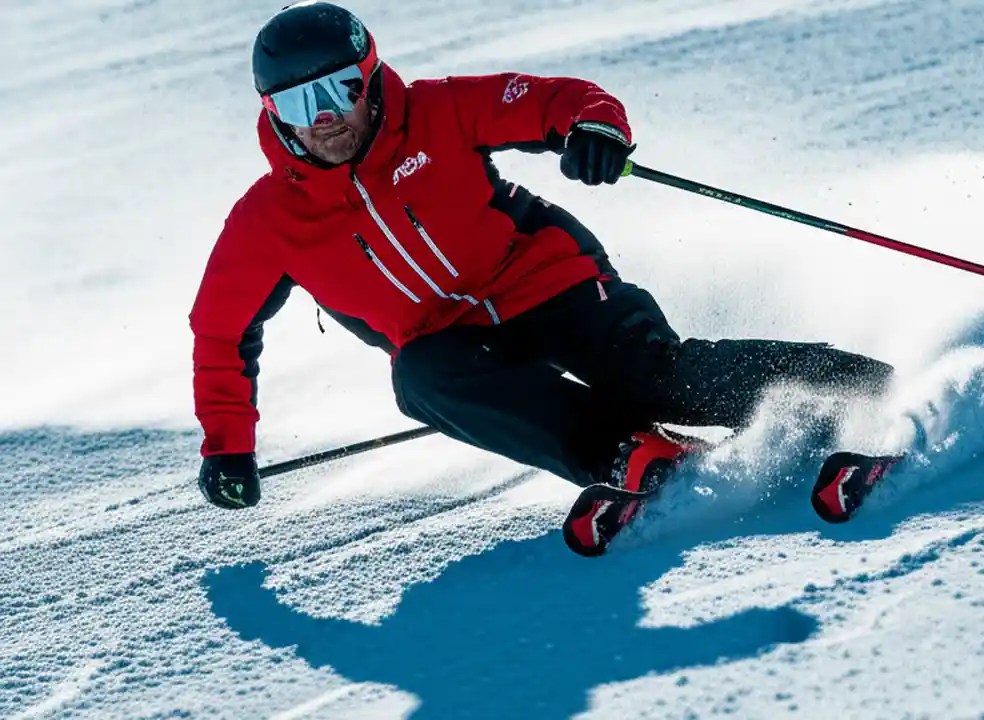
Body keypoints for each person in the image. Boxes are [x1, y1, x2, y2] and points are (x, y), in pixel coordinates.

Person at [191, 1, 893, 555]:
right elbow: (219, 331)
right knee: (420, 379)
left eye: (338, 91)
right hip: (457, 344)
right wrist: (228, 445)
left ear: (369, 77)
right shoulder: (266, 220)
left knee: (652, 377)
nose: (324, 120)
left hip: (547, 281)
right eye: (296, 105)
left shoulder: (437, 112)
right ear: (271, 113)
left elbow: (556, 97)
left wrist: (594, 130)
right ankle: (638, 460)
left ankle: (870, 388)